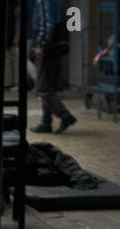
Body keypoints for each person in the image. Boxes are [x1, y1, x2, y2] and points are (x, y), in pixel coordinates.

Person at [27, 0, 75, 134]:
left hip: (49, 48)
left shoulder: (43, 1)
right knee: (49, 86)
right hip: (56, 47)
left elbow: (46, 23)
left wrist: (41, 44)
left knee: (42, 88)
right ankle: (46, 122)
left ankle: (65, 116)